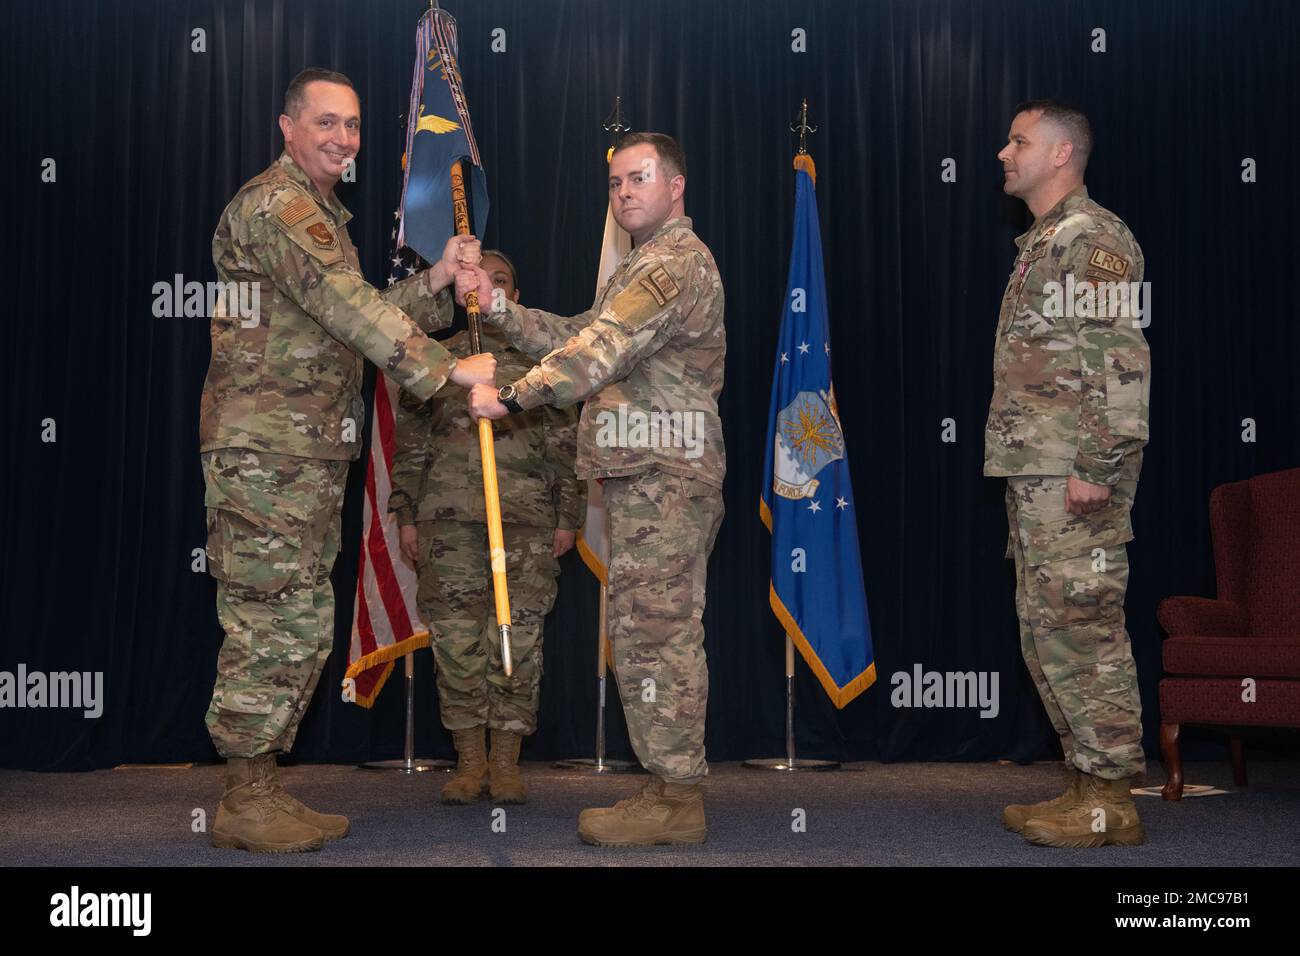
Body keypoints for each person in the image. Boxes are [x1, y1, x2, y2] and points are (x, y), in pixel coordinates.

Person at [200, 67, 496, 853]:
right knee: (270, 620)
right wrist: (446, 369)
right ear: (287, 127)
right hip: (267, 451)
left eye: (353, 126)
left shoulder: (321, 213)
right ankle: (242, 794)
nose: (342, 139)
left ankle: (258, 786)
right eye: (326, 123)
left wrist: (435, 280)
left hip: (299, 452)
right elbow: (349, 308)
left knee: (295, 619)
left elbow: (350, 312)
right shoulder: (281, 205)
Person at [457, 132, 726, 847]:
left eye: (638, 178)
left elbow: (597, 353)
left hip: (666, 477)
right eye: (614, 183)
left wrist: (509, 398)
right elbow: (584, 332)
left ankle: (677, 797)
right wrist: (506, 311)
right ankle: (668, 787)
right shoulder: (639, 270)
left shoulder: (672, 266)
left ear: (676, 186)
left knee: (659, 639)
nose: (624, 192)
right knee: (644, 637)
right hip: (646, 475)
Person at [987, 99, 1151, 847]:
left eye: (1019, 141)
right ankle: (1086, 784)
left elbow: (1120, 361)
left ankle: (1113, 798)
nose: (1003, 152)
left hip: (1074, 474)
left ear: (1061, 154)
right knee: (1048, 629)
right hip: (1039, 472)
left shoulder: (1094, 241)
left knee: (1083, 627)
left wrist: (1097, 466)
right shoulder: (1043, 241)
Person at [388, 250, 584, 805]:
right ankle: (469, 761)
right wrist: (407, 515)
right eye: (480, 280)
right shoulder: (435, 362)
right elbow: (411, 446)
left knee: (518, 637)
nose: (488, 288)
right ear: (461, 290)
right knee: (455, 641)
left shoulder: (538, 364)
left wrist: (567, 517)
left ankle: (506, 763)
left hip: (523, 523)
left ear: (512, 296)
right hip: (446, 523)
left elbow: (565, 450)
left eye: (501, 280)